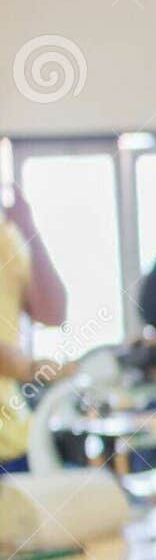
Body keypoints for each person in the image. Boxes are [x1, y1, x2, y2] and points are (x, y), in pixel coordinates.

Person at [0, 189, 67, 472]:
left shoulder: (8, 237)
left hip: (14, 438)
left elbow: (51, 313)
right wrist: (31, 367)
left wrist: (28, 228)